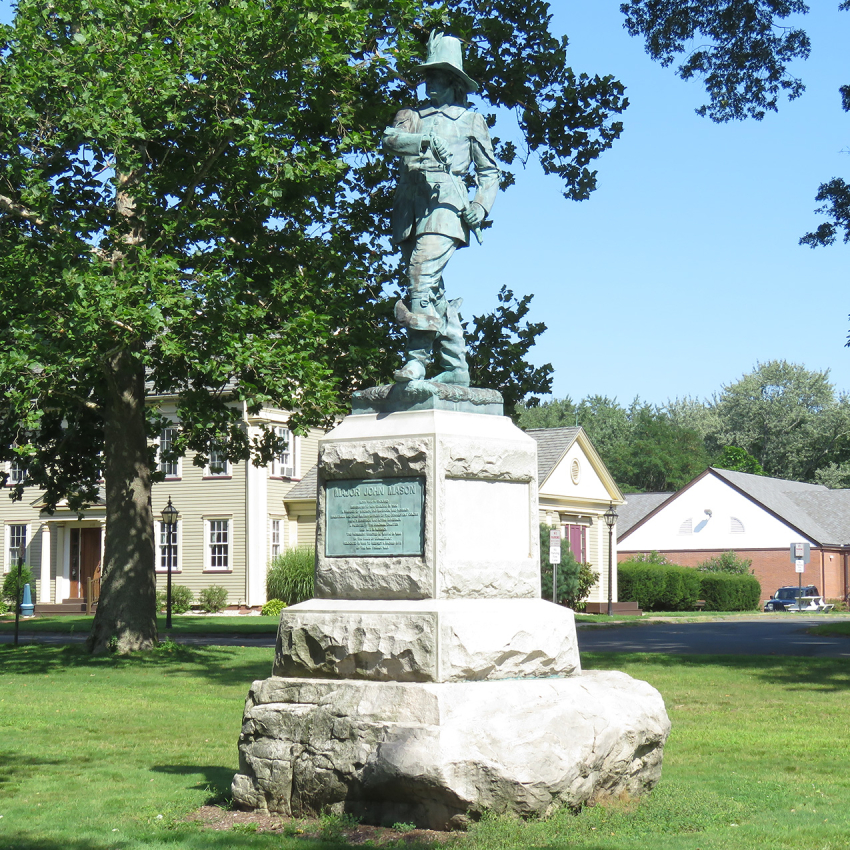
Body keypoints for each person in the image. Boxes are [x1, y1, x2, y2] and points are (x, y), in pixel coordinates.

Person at [383, 32, 499, 386]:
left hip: (446, 208)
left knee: (420, 276)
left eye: (436, 76)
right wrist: (422, 140)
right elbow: (390, 140)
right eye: (427, 76)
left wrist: (480, 205)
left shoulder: (470, 120)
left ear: (452, 81)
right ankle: (456, 365)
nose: (428, 82)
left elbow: (489, 173)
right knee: (431, 289)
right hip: (408, 208)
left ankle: (416, 361)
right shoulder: (411, 116)